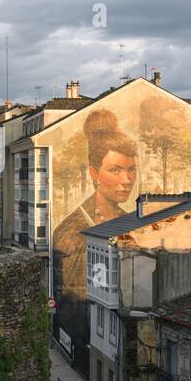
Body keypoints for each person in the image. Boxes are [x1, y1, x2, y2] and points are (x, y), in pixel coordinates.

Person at [51, 109, 139, 362]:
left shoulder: (130, 219)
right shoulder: (72, 231)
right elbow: (71, 304)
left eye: (131, 169)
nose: (127, 180)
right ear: (93, 173)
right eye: (115, 170)